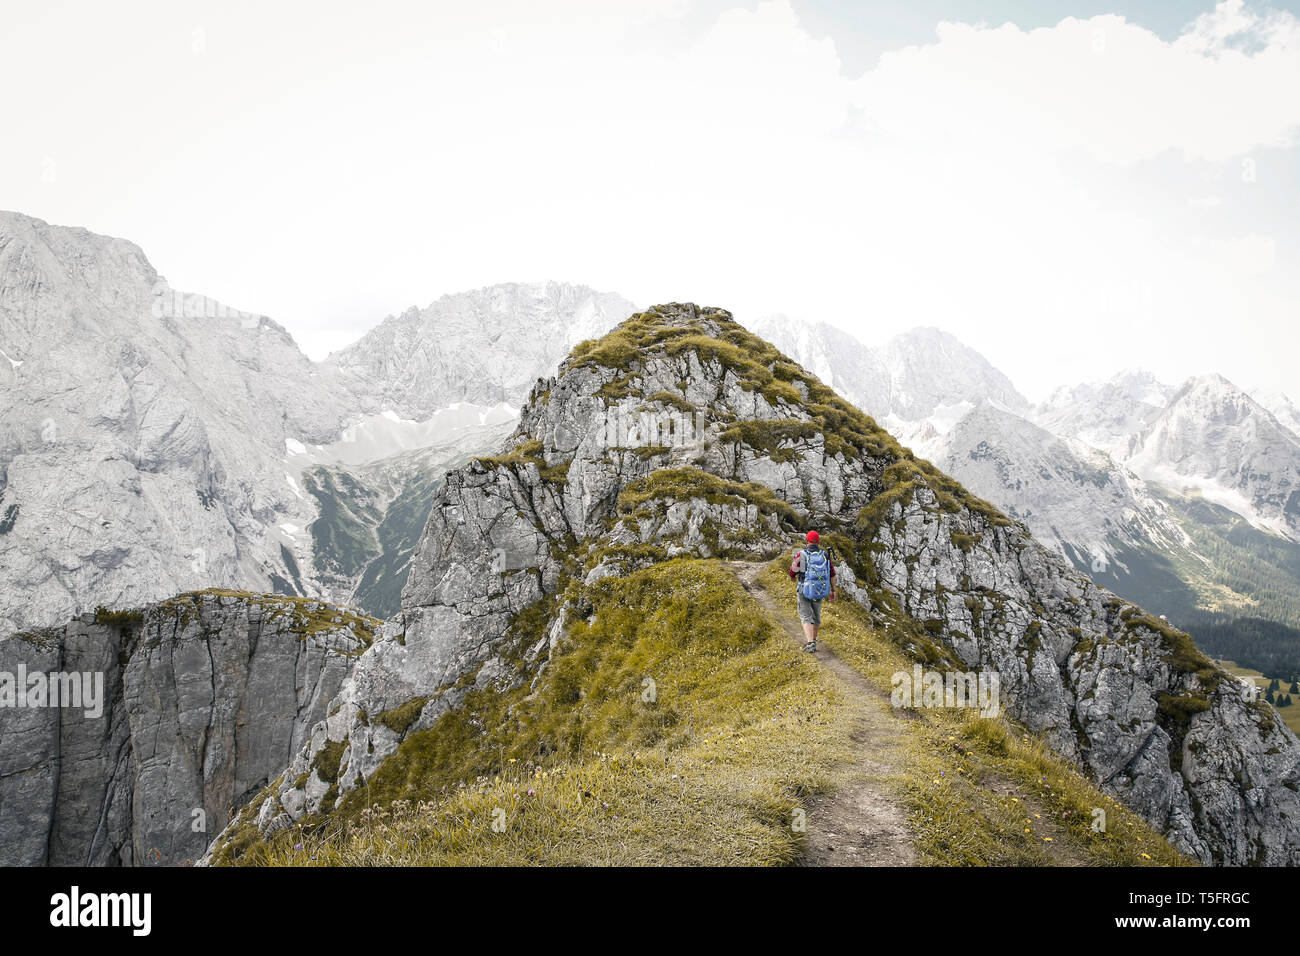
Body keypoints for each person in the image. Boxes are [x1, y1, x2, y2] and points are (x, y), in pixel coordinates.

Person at [789, 531, 835, 653]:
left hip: (804, 589)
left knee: (806, 616)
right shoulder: (824, 555)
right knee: (816, 616)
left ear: (807, 541)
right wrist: (833, 590)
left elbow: (793, 569)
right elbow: (832, 574)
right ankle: (814, 640)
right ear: (818, 541)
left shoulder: (802, 555)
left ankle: (810, 644)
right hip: (819, 590)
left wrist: (793, 576)